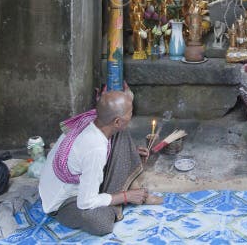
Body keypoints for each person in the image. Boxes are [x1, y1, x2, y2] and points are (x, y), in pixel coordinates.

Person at [39, 90, 161, 236]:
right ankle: (129, 193)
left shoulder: (93, 119)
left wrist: (131, 151)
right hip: (62, 202)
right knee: (102, 224)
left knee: (122, 132)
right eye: (130, 112)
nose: (132, 116)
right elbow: (85, 202)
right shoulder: (95, 149)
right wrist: (125, 196)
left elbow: (92, 149)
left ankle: (130, 187)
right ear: (116, 121)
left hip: (74, 175)